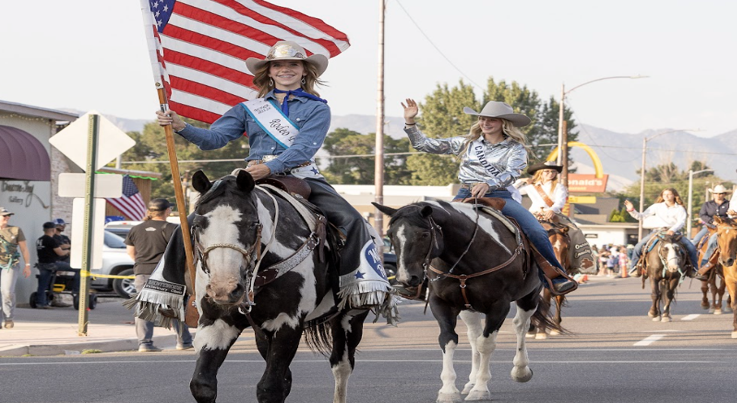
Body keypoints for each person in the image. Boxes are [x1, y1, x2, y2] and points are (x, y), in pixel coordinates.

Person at [146, 40, 393, 320]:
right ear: (269, 72)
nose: (285, 69)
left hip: (300, 174)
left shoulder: (318, 108)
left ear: (304, 72)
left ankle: (359, 288)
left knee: (352, 221)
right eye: (278, 65)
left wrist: (272, 167)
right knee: (193, 221)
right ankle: (169, 290)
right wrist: (182, 127)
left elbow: (303, 148)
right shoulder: (248, 109)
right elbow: (214, 139)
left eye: (293, 65)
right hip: (250, 177)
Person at [400, 98, 577, 295]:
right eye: (483, 119)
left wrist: (489, 183)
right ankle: (418, 282)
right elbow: (423, 145)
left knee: (536, 231)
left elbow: (513, 172)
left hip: (501, 196)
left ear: (504, 123)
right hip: (465, 192)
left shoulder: (515, 148)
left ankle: (555, 277)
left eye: (491, 119)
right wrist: (410, 122)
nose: (485, 123)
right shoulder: (467, 143)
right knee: (431, 228)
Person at [126, 198, 193, 352]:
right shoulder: (172, 228)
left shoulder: (136, 229)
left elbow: (131, 252)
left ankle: (145, 343)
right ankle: (183, 341)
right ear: (167, 211)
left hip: (142, 272)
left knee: (145, 308)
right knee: (175, 306)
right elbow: (182, 252)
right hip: (166, 273)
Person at [518, 161, 595, 274]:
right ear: (540, 173)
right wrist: (521, 181)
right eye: (547, 171)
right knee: (515, 230)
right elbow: (512, 191)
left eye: (553, 171)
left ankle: (581, 264)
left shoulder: (559, 187)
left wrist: (552, 210)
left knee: (575, 232)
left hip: (553, 214)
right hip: (534, 214)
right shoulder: (531, 187)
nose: (550, 174)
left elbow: (560, 201)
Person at [623, 189, 697, 278]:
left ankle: (693, 269)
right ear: (662, 196)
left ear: (674, 195)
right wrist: (631, 210)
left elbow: (681, 222)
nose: (666, 196)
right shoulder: (656, 206)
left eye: (669, 194)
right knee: (638, 246)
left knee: (691, 247)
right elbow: (641, 216)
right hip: (658, 232)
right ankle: (634, 267)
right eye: (664, 194)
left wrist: (672, 230)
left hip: (674, 232)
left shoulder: (679, 208)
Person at [33, 220, 79, 310]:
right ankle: (76, 289)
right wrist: (68, 251)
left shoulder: (40, 239)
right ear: (53, 230)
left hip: (42, 264)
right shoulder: (51, 240)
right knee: (79, 268)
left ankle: (41, 303)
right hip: (52, 264)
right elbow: (60, 253)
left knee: (42, 285)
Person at [0, 207, 33, 328]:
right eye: (4, 215)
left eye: (8, 215)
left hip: (10, 264)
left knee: (7, 291)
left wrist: (27, 265)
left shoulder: (15, 230)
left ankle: (8, 317)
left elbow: (24, 249)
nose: (7, 217)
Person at [693, 183, 730, 275]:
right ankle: (692, 264)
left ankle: (705, 265)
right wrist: (712, 221)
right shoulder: (707, 204)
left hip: (724, 228)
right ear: (713, 194)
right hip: (710, 227)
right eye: (716, 193)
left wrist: (724, 221)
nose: (719, 195)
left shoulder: (729, 204)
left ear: (724, 194)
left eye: (721, 193)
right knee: (695, 240)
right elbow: (702, 215)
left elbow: (732, 216)